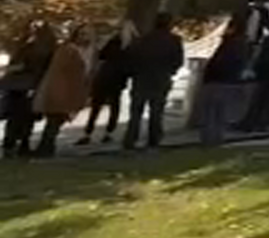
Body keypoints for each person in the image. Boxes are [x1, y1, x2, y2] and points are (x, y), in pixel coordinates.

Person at [123, 13, 184, 150]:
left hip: (141, 78)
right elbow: (178, 61)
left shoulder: (143, 40)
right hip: (161, 78)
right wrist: (170, 71)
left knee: (136, 112)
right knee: (156, 111)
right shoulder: (174, 40)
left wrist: (135, 72)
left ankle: (130, 139)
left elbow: (131, 58)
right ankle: (154, 139)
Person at [32, 23, 94, 157]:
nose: (86, 37)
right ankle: (45, 149)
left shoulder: (89, 51)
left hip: (71, 92)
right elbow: (59, 74)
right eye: (82, 34)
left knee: (55, 122)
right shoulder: (68, 50)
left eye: (88, 34)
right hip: (61, 92)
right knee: (54, 121)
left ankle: (46, 148)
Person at [1, 18, 56, 158]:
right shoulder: (50, 47)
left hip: (21, 85)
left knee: (15, 116)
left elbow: (19, 65)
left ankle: (11, 144)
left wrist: (7, 71)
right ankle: (22, 145)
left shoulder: (28, 46)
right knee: (27, 117)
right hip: (33, 85)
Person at [79, 20, 136, 145]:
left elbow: (99, 54)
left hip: (103, 77)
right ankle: (108, 133)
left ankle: (88, 133)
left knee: (96, 107)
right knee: (114, 107)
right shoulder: (127, 48)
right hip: (116, 79)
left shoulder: (109, 45)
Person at [196, 19, 249, 147]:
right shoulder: (242, 44)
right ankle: (215, 140)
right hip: (229, 80)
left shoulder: (229, 43)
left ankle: (209, 140)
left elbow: (219, 63)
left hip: (217, 80)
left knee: (210, 113)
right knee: (219, 114)